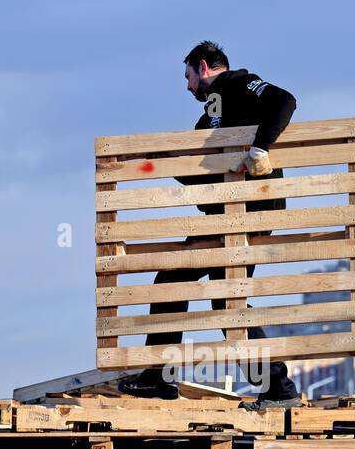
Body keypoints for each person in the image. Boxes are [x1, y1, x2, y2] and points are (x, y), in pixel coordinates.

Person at [119, 41, 302, 409]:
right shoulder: (213, 115)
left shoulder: (238, 85)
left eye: (188, 77)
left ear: (204, 67)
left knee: (178, 282)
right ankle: (277, 388)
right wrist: (159, 162)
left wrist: (260, 149)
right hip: (225, 216)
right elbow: (197, 172)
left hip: (247, 213)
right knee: (220, 294)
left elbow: (285, 101)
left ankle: (160, 377)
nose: (187, 87)